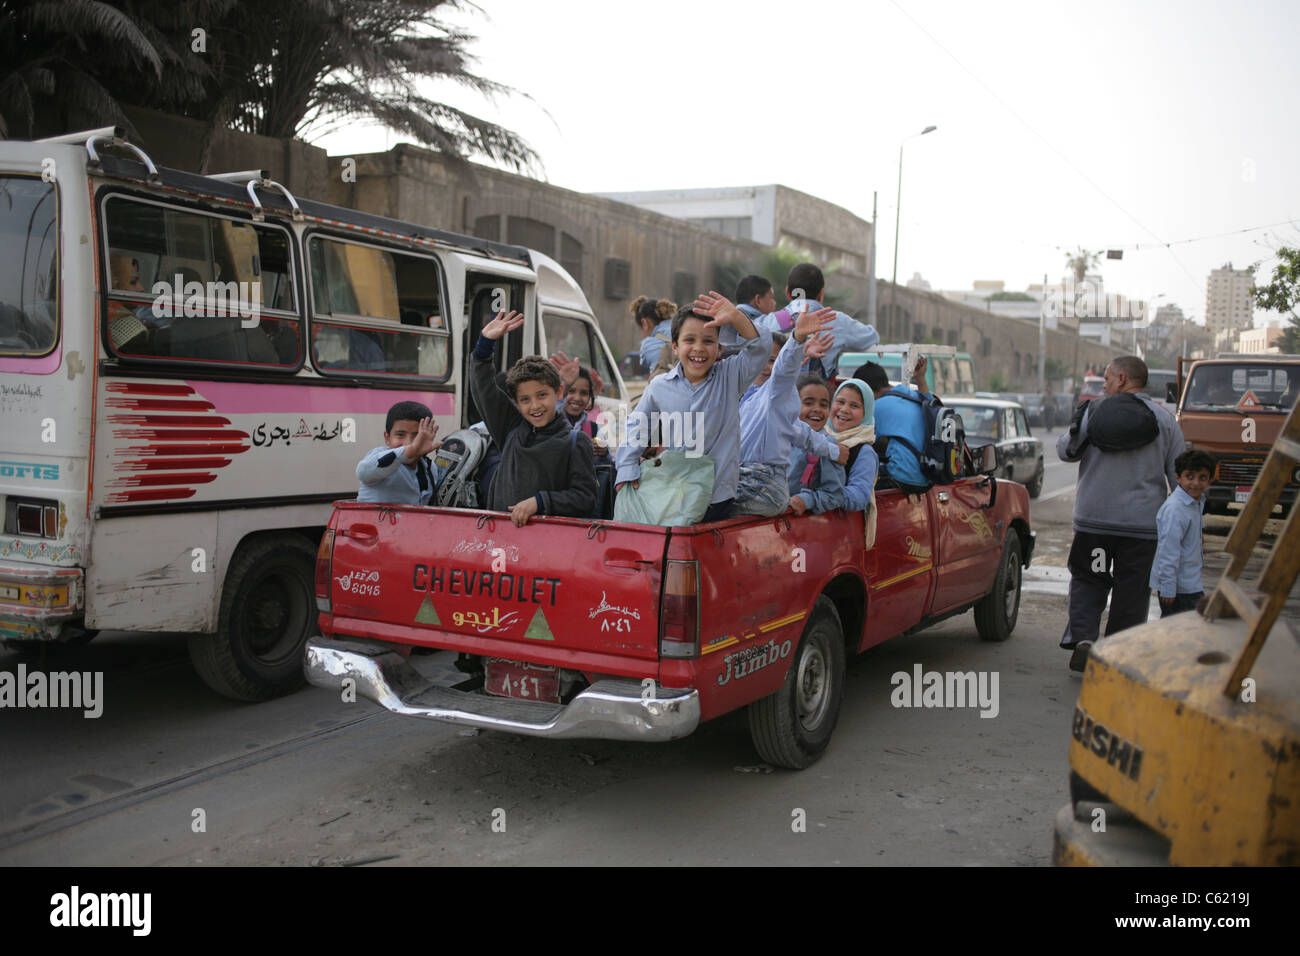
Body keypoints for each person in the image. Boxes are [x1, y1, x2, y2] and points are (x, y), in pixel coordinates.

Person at [1058, 355, 1184, 670]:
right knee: (1132, 590)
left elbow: (1065, 451)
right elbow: (1180, 476)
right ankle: (1118, 652)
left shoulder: (1094, 412)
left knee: (1090, 579)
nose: (1104, 385)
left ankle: (1084, 638)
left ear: (1122, 379)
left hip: (1095, 524)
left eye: (1107, 378)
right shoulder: (1165, 420)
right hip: (1141, 528)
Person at [615, 292, 772, 523]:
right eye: (690, 340)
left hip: (716, 496)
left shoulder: (730, 377)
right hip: (674, 493)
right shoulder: (659, 386)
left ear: (719, 348)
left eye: (708, 341)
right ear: (675, 347)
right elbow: (637, 426)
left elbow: (762, 346)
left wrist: (736, 318)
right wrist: (627, 468)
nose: (699, 348)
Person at [469, 310, 597, 526]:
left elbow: (585, 498)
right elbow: (483, 389)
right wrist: (484, 346)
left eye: (542, 395)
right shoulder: (510, 429)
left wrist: (540, 502)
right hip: (499, 539)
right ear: (516, 403)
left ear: (559, 393)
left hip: (546, 542)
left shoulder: (575, 442)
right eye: (525, 399)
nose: (535, 406)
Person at [733, 309, 842, 517]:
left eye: (771, 360)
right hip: (744, 478)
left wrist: (797, 339)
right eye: (757, 358)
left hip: (763, 485)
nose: (763, 366)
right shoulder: (746, 398)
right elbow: (798, 429)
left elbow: (784, 370)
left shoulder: (775, 393)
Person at [777, 262, 879, 376]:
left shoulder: (772, 322)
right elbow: (871, 337)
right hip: (818, 386)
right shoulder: (836, 320)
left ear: (788, 292)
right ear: (821, 293)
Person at [1150, 449, 1214, 618]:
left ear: (1210, 480)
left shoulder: (1195, 503)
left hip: (1190, 584)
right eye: (1190, 476)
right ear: (1178, 477)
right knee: (1182, 631)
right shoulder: (1175, 510)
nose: (1195, 483)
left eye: (1202, 477)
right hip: (1180, 589)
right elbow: (1168, 551)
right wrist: (1168, 588)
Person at [855, 356, 931, 493]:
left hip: (903, 478)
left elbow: (858, 440)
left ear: (867, 392)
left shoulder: (876, 406)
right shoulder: (915, 397)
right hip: (930, 478)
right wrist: (920, 378)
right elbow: (931, 404)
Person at [356, 401, 442, 505]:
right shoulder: (381, 457)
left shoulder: (429, 467)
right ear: (387, 438)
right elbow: (363, 472)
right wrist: (410, 450)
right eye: (400, 435)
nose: (408, 443)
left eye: (417, 436)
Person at [788, 375, 847, 514]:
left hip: (799, 520)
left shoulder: (830, 445)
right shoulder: (782, 437)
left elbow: (834, 495)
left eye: (823, 405)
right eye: (808, 403)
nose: (817, 409)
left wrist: (806, 500)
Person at [825, 379, 879, 514]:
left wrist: (821, 496)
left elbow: (859, 496)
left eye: (854, 406)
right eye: (840, 402)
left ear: (866, 413)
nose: (844, 409)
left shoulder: (864, 452)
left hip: (836, 523)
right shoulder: (814, 437)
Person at [631, 296, 676, 373]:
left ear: (644, 323)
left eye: (640, 330)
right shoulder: (682, 329)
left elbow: (644, 362)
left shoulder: (649, 344)